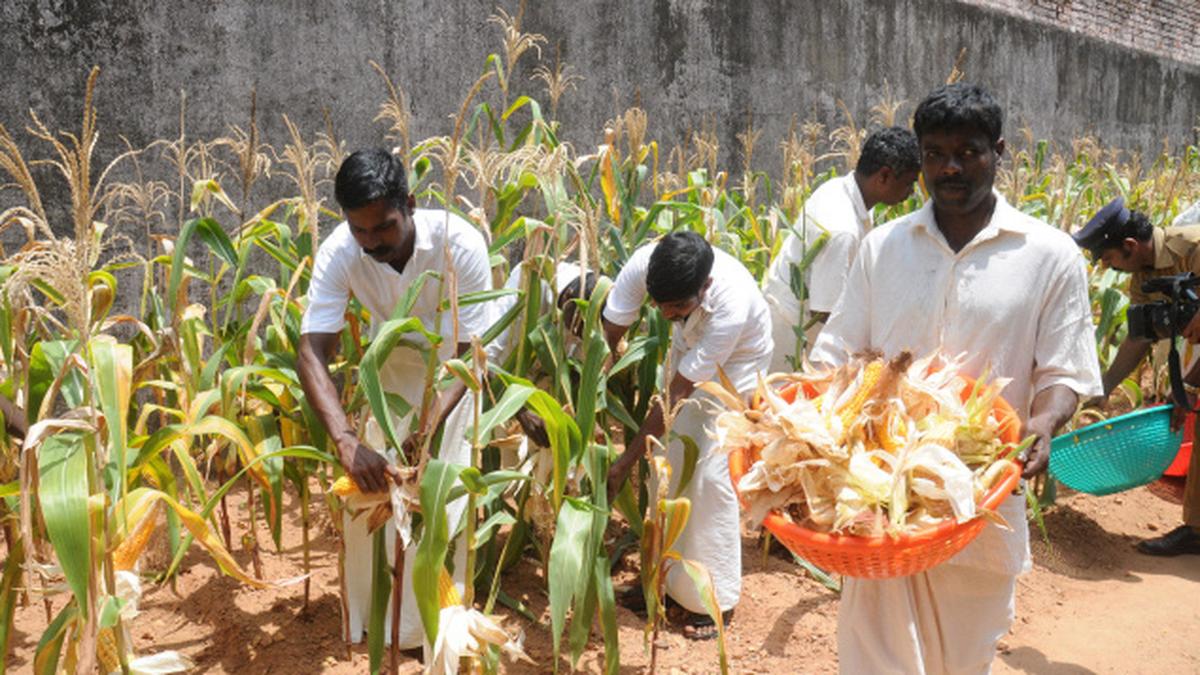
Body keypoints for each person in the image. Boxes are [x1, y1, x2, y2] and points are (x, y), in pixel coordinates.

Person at [810, 83, 1102, 674]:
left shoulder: (1049, 256)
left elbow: (1065, 369)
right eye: (935, 152)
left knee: (962, 659)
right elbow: (837, 352)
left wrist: (1042, 424)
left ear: (998, 152)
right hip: (883, 496)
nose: (950, 167)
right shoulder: (882, 248)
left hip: (982, 494)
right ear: (919, 158)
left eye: (967, 152)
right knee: (875, 657)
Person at [297, 148, 493, 647]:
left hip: (453, 380)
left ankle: (434, 628)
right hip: (386, 379)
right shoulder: (341, 251)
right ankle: (382, 621)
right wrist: (344, 439)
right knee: (375, 501)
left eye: (382, 227)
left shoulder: (459, 244)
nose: (370, 242)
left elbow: (472, 353)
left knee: (439, 503)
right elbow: (312, 350)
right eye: (359, 230)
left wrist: (428, 432)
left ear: (409, 203)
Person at [602, 230, 772, 640]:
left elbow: (677, 393)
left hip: (738, 367)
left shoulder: (730, 304)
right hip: (689, 351)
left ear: (705, 286)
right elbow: (608, 327)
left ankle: (713, 599)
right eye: (659, 306)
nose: (664, 315)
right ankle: (660, 582)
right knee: (668, 469)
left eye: (676, 308)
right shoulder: (646, 264)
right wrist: (601, 371)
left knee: (711, 477)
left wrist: (625, 462)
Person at [1072, 197, 1200, 556]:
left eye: (1111, 259)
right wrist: (1105, 388)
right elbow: (1139, 336)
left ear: (1130, 246)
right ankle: (1197, 530)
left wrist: (1186, 384)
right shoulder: (1142, 275)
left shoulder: (1194, 247)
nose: (1110, 268)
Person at [763, 126, 920, 372]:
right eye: (909, 184)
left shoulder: (837, 188)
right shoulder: (842, 230)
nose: (910, 194)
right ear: (884, 176)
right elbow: (826, 311)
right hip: (794, 341)